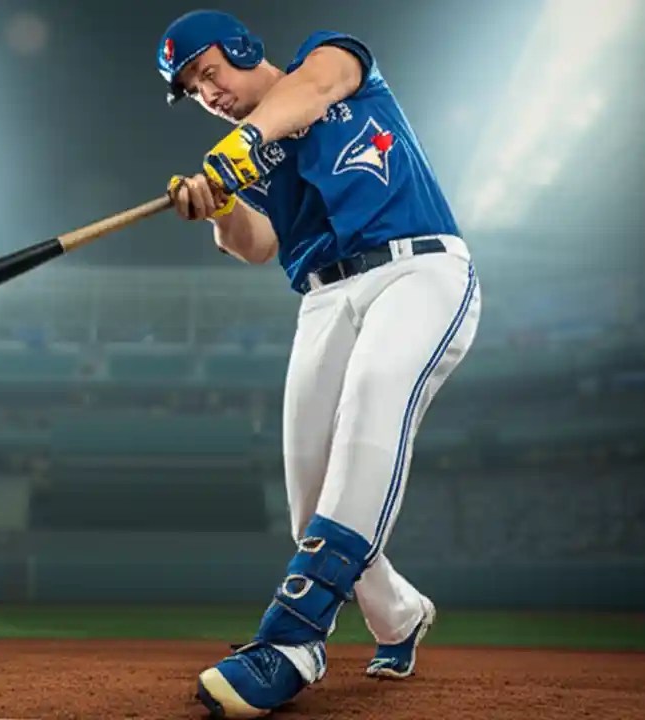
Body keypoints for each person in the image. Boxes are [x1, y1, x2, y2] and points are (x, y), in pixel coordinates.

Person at [157, 10, 481, 718]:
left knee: (373, 398)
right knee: (310, 495)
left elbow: (314, 88)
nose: (207, 92)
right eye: (192, 87)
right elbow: (257, 245)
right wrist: (216, 206)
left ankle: (295, 640)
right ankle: (398, 615)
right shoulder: (246, 154)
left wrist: (240, 145)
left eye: (210, 70)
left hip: (415, 269)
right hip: (323, 297)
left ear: (243, 49)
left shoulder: (324, 60)